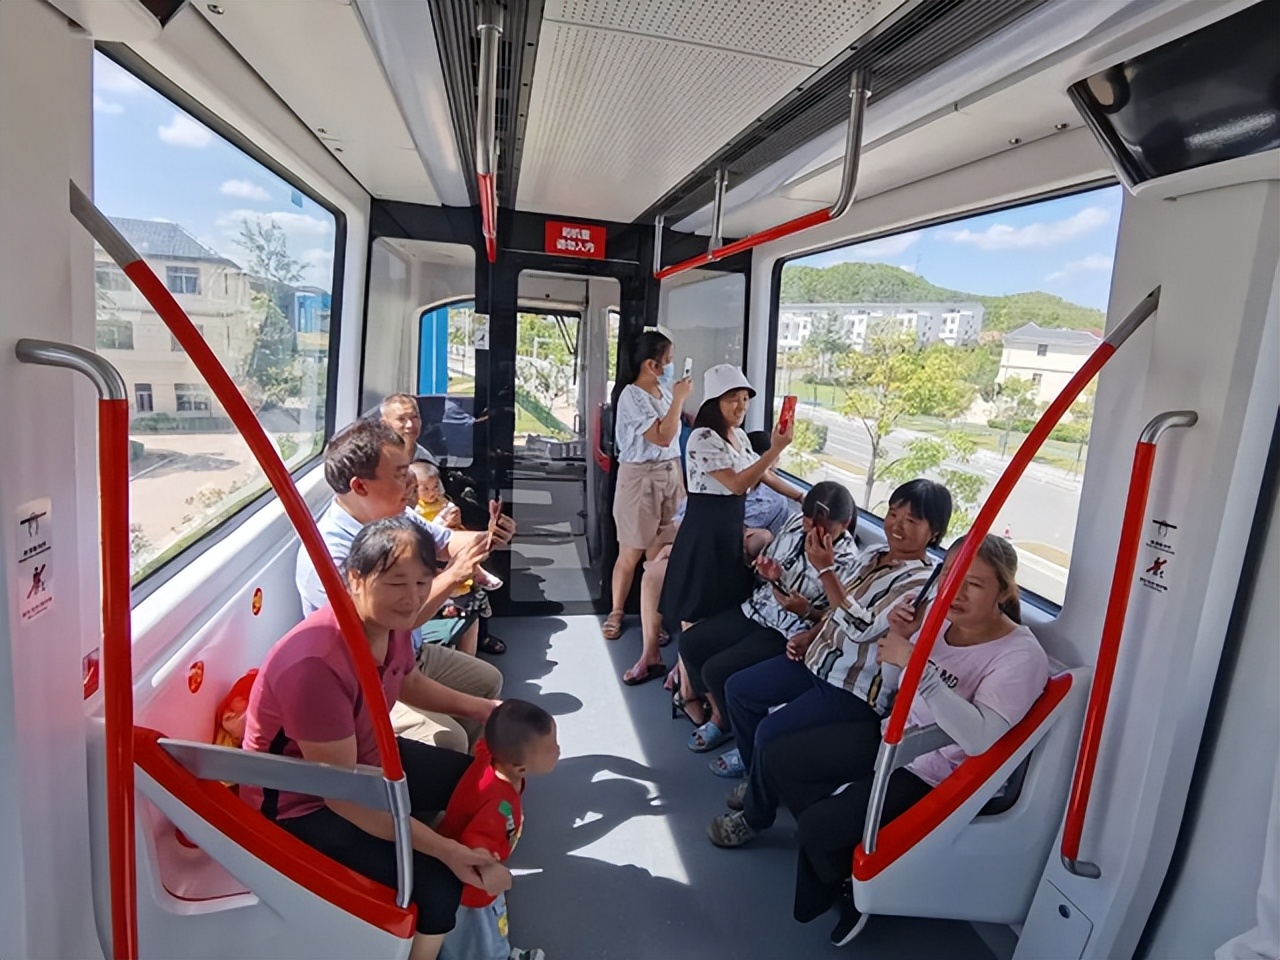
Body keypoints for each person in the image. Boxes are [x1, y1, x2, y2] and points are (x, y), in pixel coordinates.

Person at [724, 536, 1049, 946]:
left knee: (814, 829)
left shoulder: (1019, 656)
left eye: (975, 583)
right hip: (893, 738)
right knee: (778, 756)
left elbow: (979, 739)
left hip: (935, 771)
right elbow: (899, 689)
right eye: (949, 575)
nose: (956, 590)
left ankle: (851, 887)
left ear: (1004, 592)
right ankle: (845, 844)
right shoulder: (941, 619)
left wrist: (918, 665)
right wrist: (905, 639)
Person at [244, 516, 503, 960]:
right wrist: (447, 850)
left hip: (369, 759)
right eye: (396, 582)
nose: (413, 598)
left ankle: (469, 898)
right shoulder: (314, 664)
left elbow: (408, 681)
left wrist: (486, 711)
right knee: (439, 883)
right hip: (300, 803)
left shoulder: (388, 625)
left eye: (424, 581)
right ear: (354, 578)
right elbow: (343, 796)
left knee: (476, 784)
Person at [707, 479, 951, 787]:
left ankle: (756, 804)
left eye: (911, 521)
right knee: (739, 689)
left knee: (769, 732)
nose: (896, 526)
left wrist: (825, 570)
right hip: (820, 659)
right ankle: (758, 775)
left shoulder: (919, 584)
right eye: (892, 514)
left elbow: (862, 627)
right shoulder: (874, 553)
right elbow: (838, 607)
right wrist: (809, 635)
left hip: (852, 684)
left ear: (935, 533)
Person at [296, 418, 509, 751]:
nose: (411, 480)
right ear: (360, 486)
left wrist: (488, 537)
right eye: (399, 473)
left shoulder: (392, 515)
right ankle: (438, 787)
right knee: (447, 738)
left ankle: (462, 776)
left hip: (409, 656)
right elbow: (396, 622)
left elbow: (446, 541)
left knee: (487, 681)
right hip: (366, 682)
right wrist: (453, 575)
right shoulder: (331, 556)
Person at [678, 481, 859, 753]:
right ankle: (723, 717)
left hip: (791, 630)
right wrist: (768, 573)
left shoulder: (850, 562)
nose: (814, 534)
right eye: (810, 525)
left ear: (844, 524)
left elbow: (836, 618)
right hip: (759, 609)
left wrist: (806, 611)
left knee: (717, 670)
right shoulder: (796, 523)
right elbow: (771, 570)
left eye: (826, 531)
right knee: (691, 644)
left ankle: (744, 739)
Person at [623, 430, 802, 686]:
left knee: (698, 583)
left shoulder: (774, 500)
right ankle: (650, 653)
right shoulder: (712, 481)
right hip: (697, 550)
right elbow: (685, 519)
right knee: (652, 574)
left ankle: (684, 672)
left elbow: (757, 542)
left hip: (734, 566)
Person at [660, 364, 793, 630]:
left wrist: (803, 497)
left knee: (722, 605)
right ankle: (687, 670)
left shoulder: (740, 437)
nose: (741, 405)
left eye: (745, 399)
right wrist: (774, 449)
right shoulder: (703, 437)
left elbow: (765, 474)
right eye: (733, 398)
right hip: (705, 531)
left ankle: (696, 668)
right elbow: (736, 484)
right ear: (714, 402)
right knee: (695, 608)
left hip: (729, 531)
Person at [437, 700, 560, 960]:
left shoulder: (491, 756)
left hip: (466, 870)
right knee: (481, 933)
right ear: (521, 768)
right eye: (551, 748)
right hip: (470, 883)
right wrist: (491, 872)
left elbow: (482, 744)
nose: (558, 750)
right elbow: (474, 845)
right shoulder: (498, 805)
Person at [603, 331, 692, 642]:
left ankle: (652, 620)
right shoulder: (631, 396)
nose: (671, 366)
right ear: (651, 364)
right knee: (630, 551)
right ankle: (616, 610)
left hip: (670, 473)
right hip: (640, 477)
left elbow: (674, 429)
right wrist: (680, 398)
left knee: (657, 556)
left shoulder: (663, 391)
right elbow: (663, 436)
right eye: (667, 361)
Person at [382, 392, 438, 465]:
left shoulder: (425, 460)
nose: (410, 425)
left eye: (414, 417)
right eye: (401, 419)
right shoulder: (375, 458)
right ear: (384, 423)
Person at [411, 460, 462, 528]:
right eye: (426, 489)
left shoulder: (443, 502)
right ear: (414, 489)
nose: (432, 492)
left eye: (435, 487)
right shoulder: (414, 507)